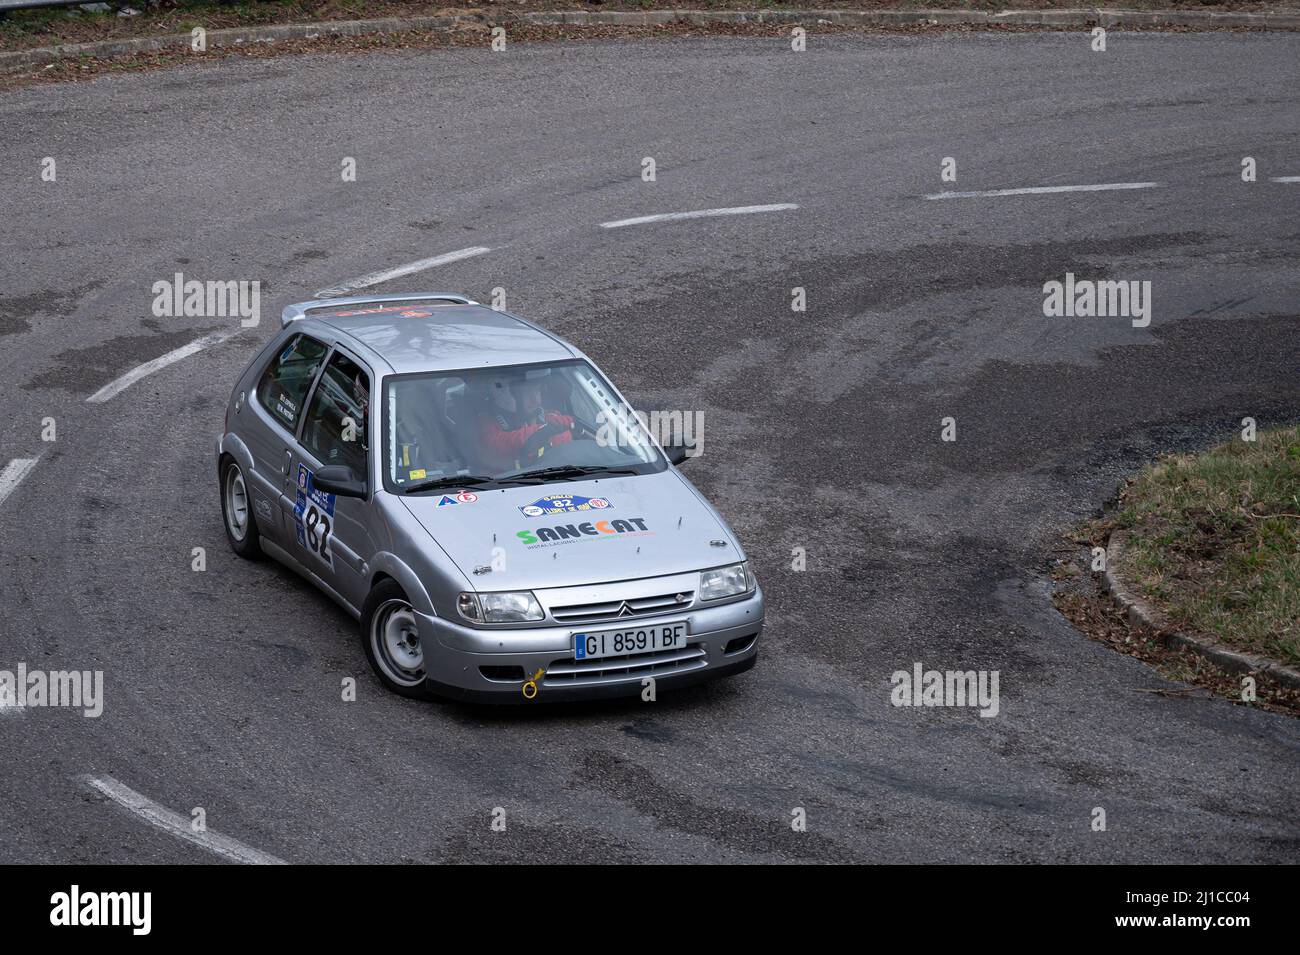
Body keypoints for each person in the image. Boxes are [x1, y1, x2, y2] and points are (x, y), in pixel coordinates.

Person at [477, 370, 575, 470]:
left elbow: (566, 437)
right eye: (528, 392)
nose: (536, 400)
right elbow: (495, 446)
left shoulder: (548, 415)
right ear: (507, 394)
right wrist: (546, 430)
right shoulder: (487, 424)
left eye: (537, 391)